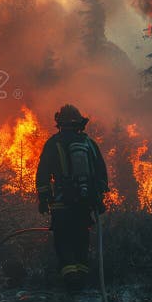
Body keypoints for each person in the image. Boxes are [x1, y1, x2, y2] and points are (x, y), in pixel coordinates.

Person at [36, 104, 108, 290]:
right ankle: (81, 279)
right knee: (81, 239)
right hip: (84, 203)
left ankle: (70, 280)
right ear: (79, 124)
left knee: (63, 240)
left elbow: (43, 173)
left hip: (61, 203)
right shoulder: (89, 144)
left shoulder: (54, 143)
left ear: (59, 123)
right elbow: (101, 173)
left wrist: (44, 198)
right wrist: (98, 197)